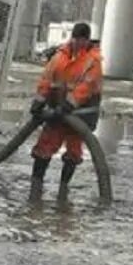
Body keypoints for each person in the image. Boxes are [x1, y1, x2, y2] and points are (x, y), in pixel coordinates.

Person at [28, 22, 103, 201]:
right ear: (72, 38)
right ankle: (36, 187)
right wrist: (39, 102)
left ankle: (63, 189)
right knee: (44, 146)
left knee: (73, 152)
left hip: (80, 116)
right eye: (75, 39)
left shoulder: (93, 61)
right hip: (56, 112)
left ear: (87, 40)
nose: (78, 43)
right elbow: (46, 80)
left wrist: (68, 105)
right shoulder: (59, 56)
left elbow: (86, 87)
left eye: (81, 40)